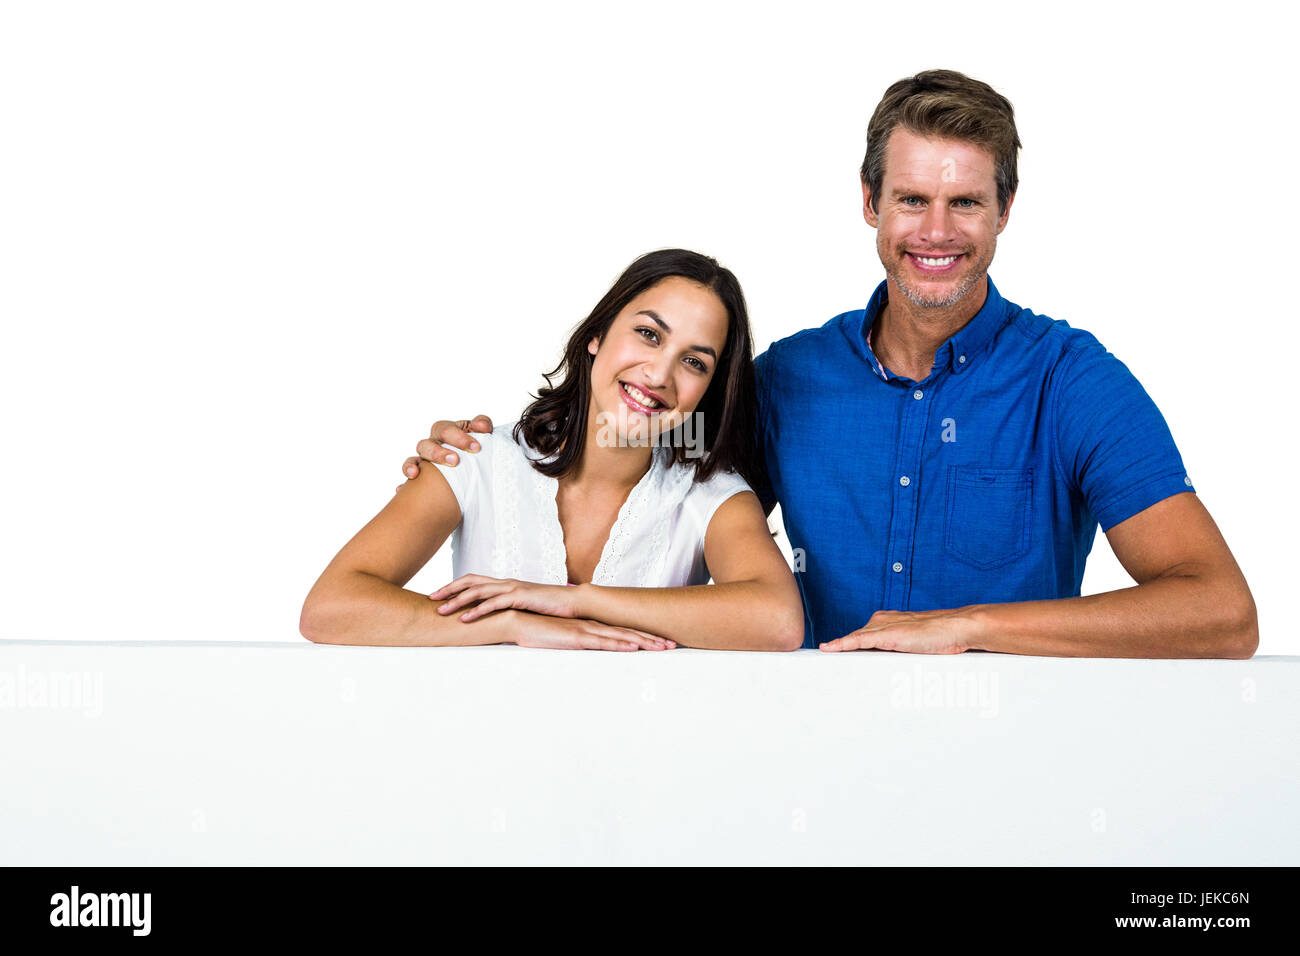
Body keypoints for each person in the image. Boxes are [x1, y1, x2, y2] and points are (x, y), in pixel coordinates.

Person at [408, 70, 1257, 659]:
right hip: (809, 760)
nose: (937, 231)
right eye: (912, 199)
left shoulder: (1073, 383)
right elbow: (648, 473)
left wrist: (969, 628)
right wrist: (495, 454)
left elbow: (1221, 612)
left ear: (1005, 210)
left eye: (965, 201)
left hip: (1019, 762)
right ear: (869, 202)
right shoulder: (785, 382)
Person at [300, 249, 804, 651]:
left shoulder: (712, 495)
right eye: (648, 334)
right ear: (597, 335)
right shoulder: (475, 459)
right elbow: (330, 607)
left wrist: (576, 602)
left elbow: (778, 621)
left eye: (694, 362)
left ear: (708, 391)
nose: (659, 374)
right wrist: (511, 622)